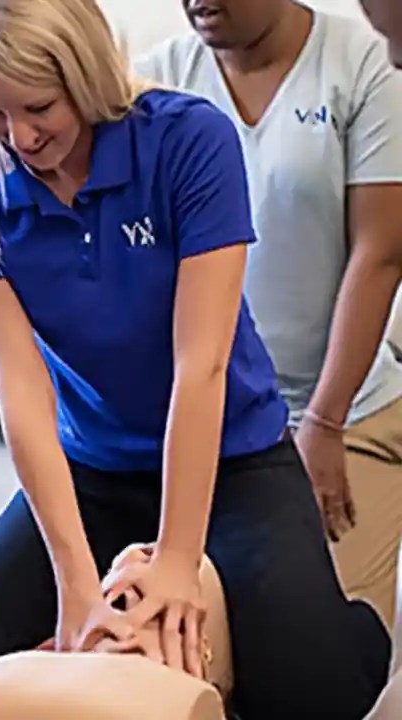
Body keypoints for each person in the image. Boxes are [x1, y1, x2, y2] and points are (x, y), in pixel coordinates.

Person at [0, 1, 391, 719]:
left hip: (236, 461)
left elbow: (202, 367)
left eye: (39, 107)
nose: (20, 137)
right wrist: (73, 582)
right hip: (93, 468)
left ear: (86, 75)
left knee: (311, 695)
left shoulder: (188, 140)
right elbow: (21, 386)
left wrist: (178, 561)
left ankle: (357, 630)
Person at [136, 0, 402, 632]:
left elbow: (382, 254)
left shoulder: (365, 62)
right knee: (183, 627)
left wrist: (325, 422)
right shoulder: (157, 81)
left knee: (323, 644)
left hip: (341, 411)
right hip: (208, 413)